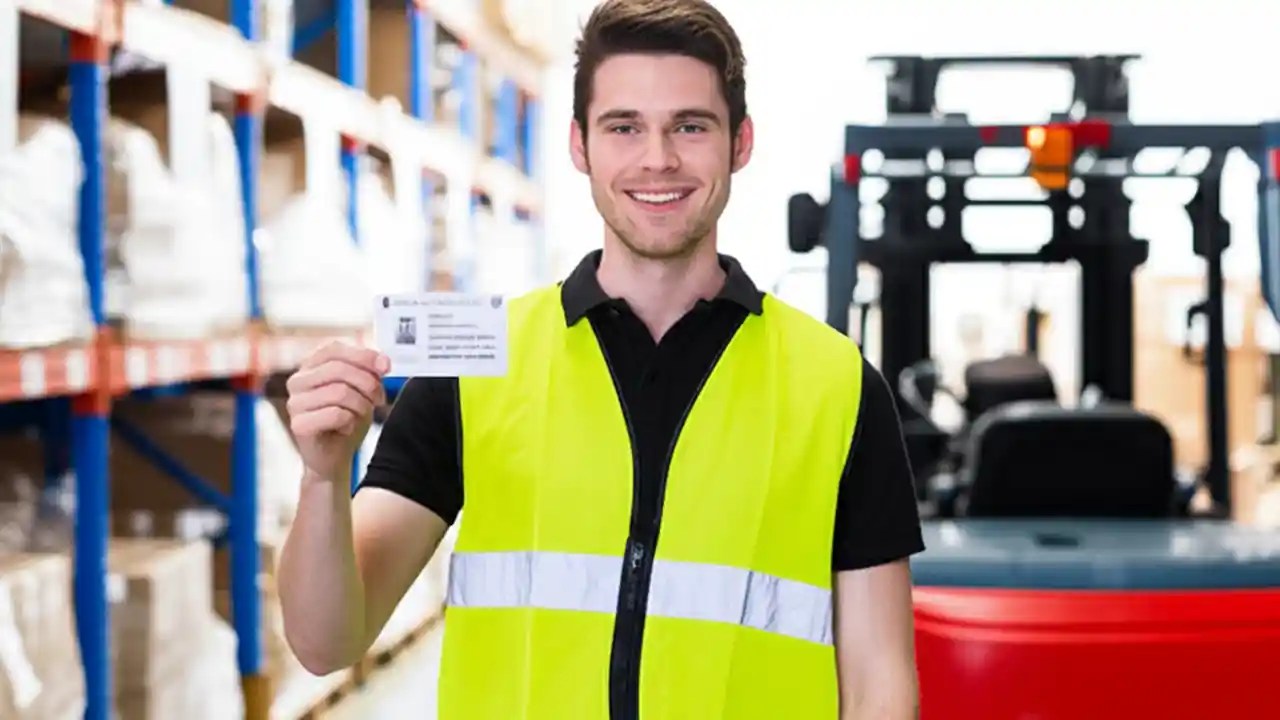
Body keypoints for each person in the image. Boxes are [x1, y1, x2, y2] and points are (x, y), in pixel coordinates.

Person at [276, 0, 925, 717]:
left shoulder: (837, 386)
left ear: (740, 143)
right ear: (579, 145)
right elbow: (326, 642)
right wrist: (322, 479)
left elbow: (878, 683)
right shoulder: (478, 365)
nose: (658, 158)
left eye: (690, 125)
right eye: (624, 127)